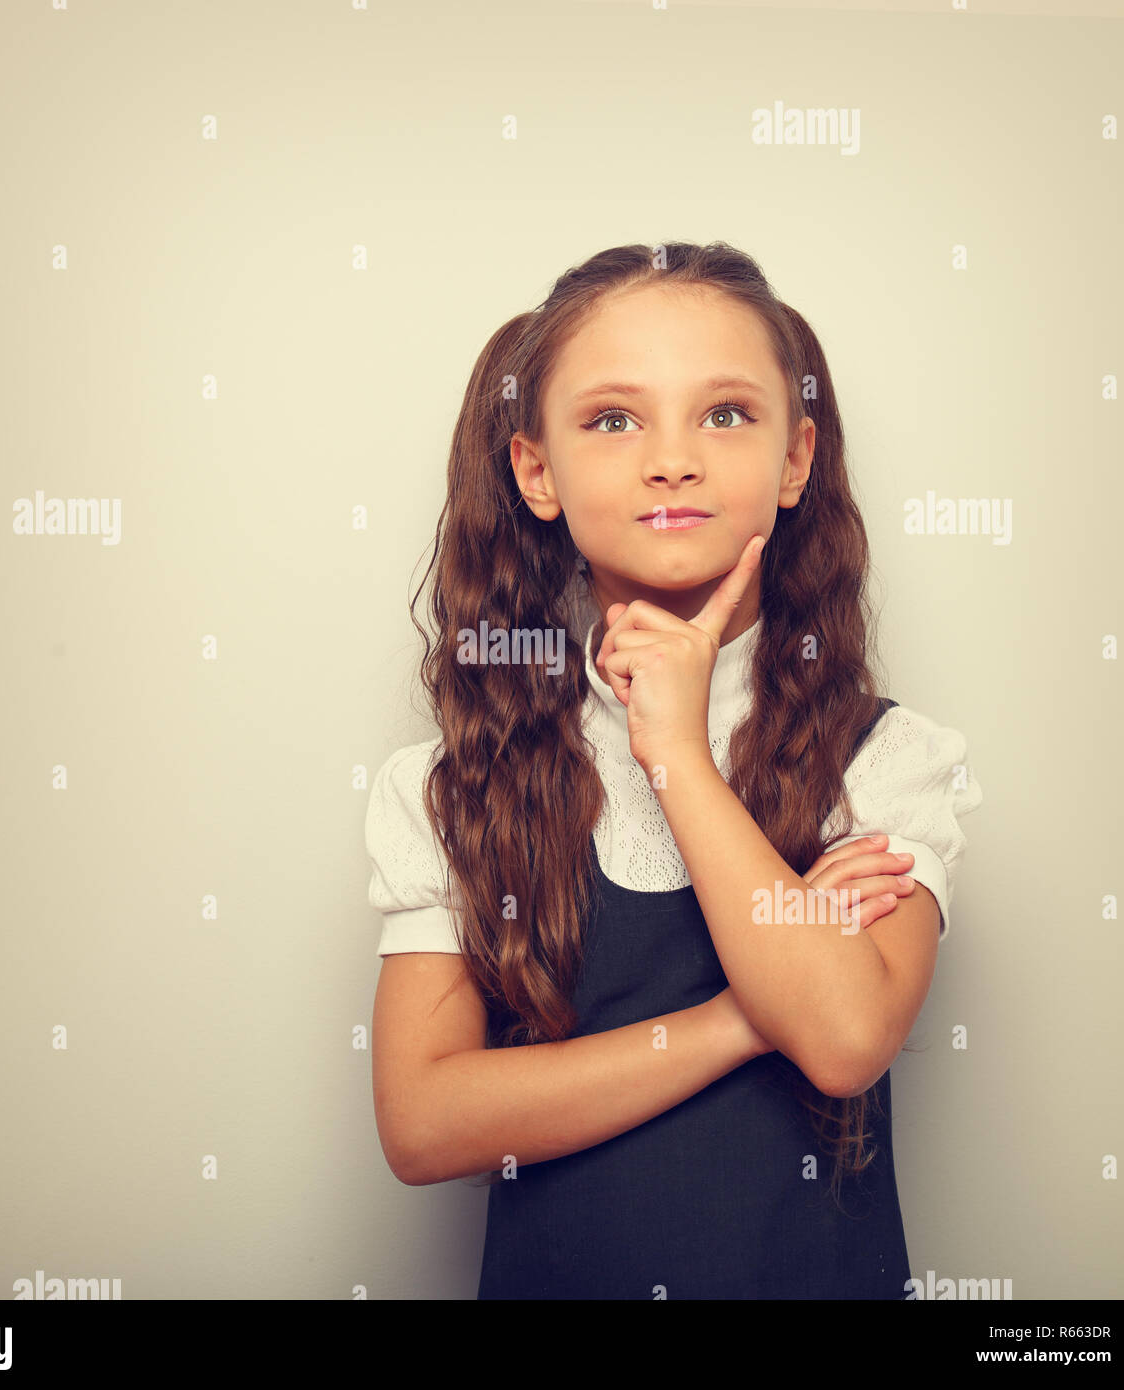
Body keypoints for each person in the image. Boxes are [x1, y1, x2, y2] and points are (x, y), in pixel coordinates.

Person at [364, 240, 983, 1299]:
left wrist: (678, 755)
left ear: (795, 461)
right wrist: (742, 1018)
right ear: (535, 472)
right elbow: (424, 1125)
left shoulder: (885, 759)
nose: (671, 459)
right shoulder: (446, 785)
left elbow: (839, 1041)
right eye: (613, 419)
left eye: (725, 413)